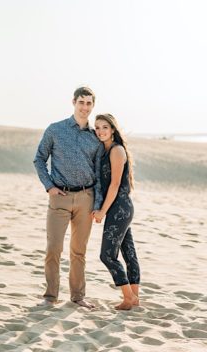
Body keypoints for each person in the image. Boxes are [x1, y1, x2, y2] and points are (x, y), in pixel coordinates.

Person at [33, 86, 105, 309]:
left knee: (79, 251)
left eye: (89, 103)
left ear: (93, 106)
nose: (85, 107)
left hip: (86, 197)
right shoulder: (55, 130)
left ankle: (77, 296)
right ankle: (50, 296)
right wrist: (49, 187)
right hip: (60, 197)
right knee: (53, 247)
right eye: (81, 102)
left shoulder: (95, 138)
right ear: (73, 102)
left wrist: (98, 203)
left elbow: (100, 175)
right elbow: (39, 159)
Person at [92, 113, 140, 310]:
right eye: (97, 128)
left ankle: (128, 297)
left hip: (119, 207)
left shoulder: (116, 150)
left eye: (105, 127)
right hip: (119, 207)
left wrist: (102, 211)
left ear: (113, 129)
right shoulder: (104, 151)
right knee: (128, 252)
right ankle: (134, 298)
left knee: (107, 255)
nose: (101, 131)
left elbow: (114, 184)